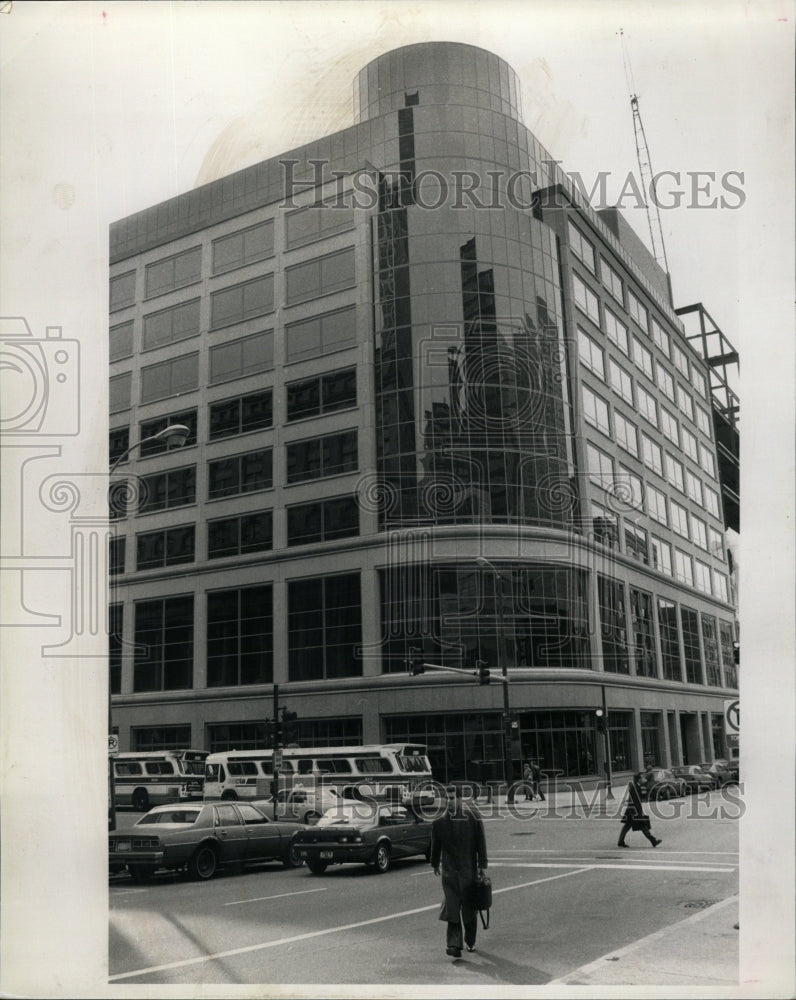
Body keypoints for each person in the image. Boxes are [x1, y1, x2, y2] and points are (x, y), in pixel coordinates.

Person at [431, 785, 488, 959]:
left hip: (468, 872)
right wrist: (434, 864)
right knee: (452, 909)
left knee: (469, 910)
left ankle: (470, 940)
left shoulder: (472, 818)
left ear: (460, 799)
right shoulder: (440, 822)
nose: (449, 802)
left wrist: (481, 865)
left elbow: (480, 842)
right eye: (447, 798)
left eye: (453, 798)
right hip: (450, 874)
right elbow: (436, 845)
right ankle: (454, 944)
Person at [618, 774, 661, 848]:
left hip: (632, 811)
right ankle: (653, 841)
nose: (643, 778)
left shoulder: (636, 787)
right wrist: (639, 812)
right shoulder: (635, 788)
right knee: (643, 826)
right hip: (634, 811)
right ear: (639, 779)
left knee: (627, 826)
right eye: (642, 778)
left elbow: (642, 798)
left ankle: (620, 841)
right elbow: (636, 801)